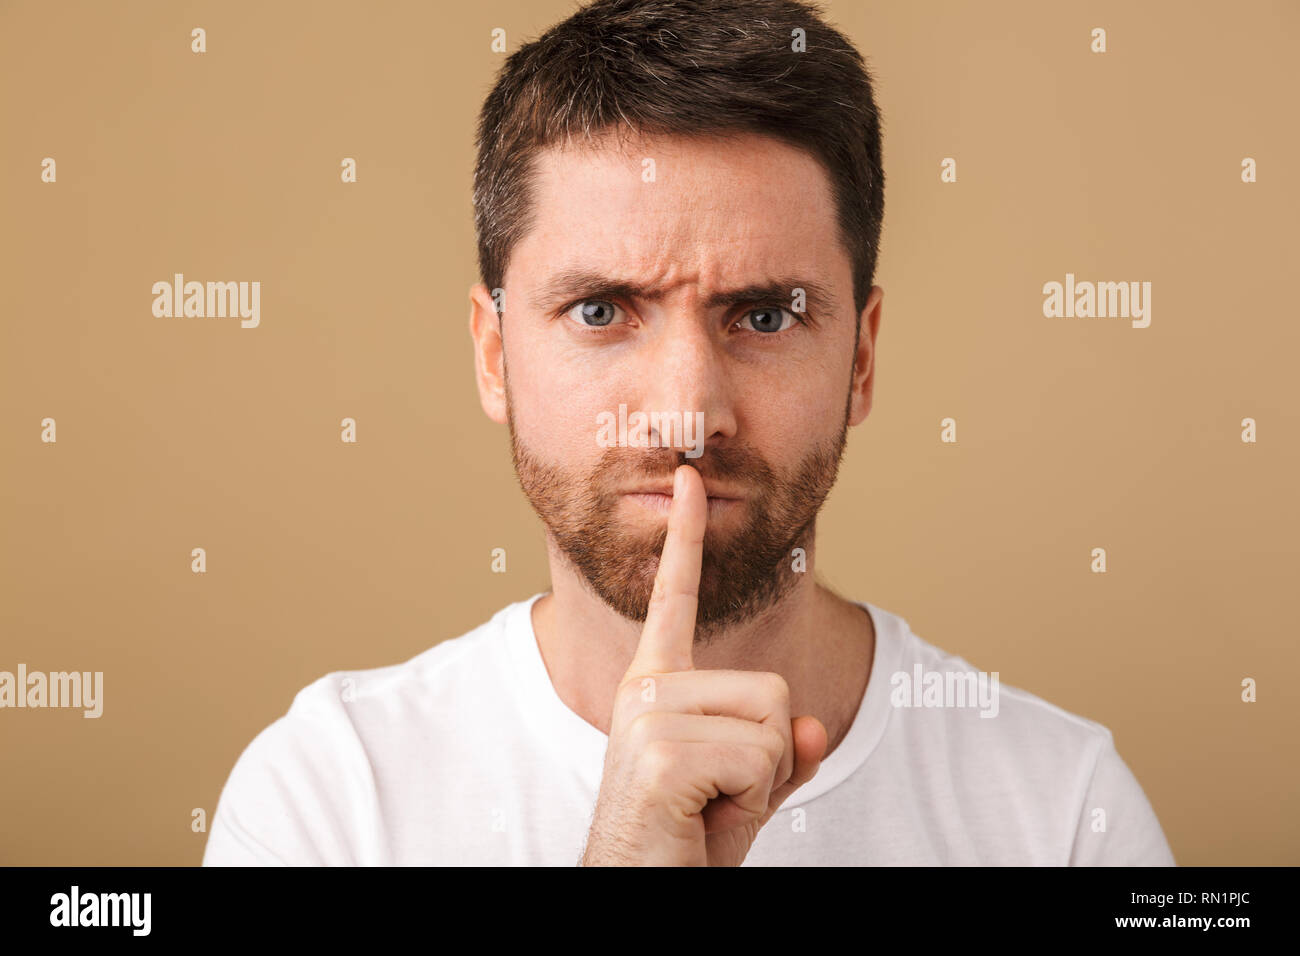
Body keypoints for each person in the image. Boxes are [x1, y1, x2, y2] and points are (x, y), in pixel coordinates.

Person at [204, 0, 1175, 866]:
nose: (684, 413)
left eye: (762, 316)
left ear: (862, 360)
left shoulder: (1062, 813)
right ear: (494, 354)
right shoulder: (326, 800)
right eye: (600, 311)